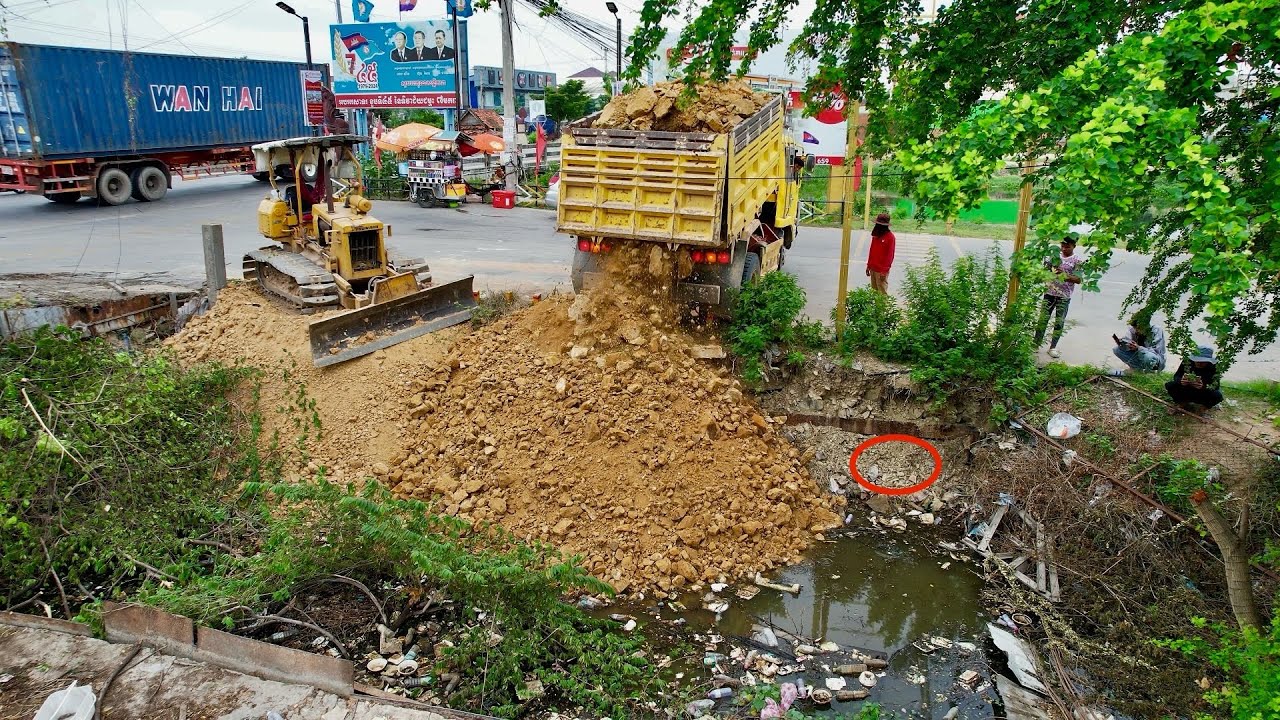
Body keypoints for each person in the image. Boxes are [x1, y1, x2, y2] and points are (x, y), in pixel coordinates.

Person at [1033, 234, 1083, 358]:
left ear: (1074, 246)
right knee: (1043, 319)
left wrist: (1064, 275)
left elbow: (1078, 279)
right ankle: (1036, 344)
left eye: (1067, 247)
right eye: (1062, 246)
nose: (1064, 249)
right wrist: (1047, 272)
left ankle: (1053, 347)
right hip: (1049, 293)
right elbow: (1045, 271)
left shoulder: (1077, 260)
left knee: (1059, 322)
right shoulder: (1054, 256)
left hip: (1064, 295)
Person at [1165, 346, 1223, 412]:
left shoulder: (1214, 366)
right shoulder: (1187, 362)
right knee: (1170, 385)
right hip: (1186, 388)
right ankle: (1182, 402)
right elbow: (1177, 376)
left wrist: (1203, 386)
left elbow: (1216, 385)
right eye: (1197, 360)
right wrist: (1181, 381)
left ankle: (1204, 407)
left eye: (1203, 361)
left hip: (1203, 392)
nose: (1199, 363)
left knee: (1217, 395)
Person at [866, 212, 895, 294]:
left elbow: (889, 256)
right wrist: (868, 266)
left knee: (882, 292)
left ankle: (882, 307)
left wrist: (884, 271)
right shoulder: (876, 236)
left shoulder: (890, 237)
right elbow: (872, 251)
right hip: (873, 268)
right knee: (874, 292)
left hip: (881, 271)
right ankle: (875, 307)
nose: (877, 226)